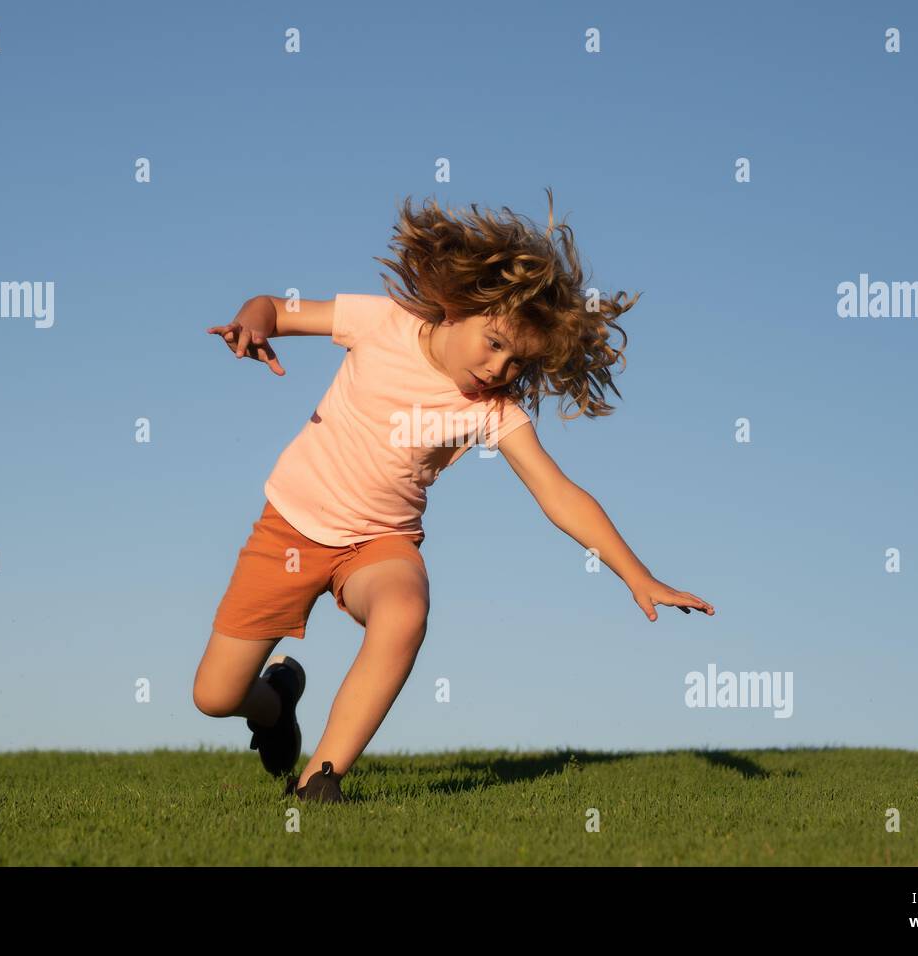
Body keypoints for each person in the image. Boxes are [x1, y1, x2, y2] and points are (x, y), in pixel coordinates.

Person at [192, 189, 715, 803]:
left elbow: (558, 492)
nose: (499, 369)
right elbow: (277, 308)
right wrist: (254, 321)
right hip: (289, 528)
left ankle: (319, 782)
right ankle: (276, 705)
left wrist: (637, 574)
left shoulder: (493, 410)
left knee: (405, 611)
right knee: (216, 696)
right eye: (494, 344)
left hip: (378, 544)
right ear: (458, 307)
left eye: (517, 362)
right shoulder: (384, 321)